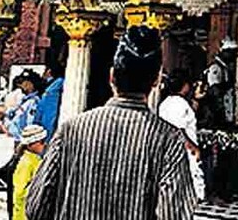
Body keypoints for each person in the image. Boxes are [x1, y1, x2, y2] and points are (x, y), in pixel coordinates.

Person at [25, 26, 196, 220]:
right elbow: (174, 214)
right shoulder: (168, 139)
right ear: (157, 80)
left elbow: (36, 207)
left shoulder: (71, 130)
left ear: (112, 76)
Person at [158, 70, 206, 202]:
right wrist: (193, 148)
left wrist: (196, 99)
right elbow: (178, 130)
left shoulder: (167, 103)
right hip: (183, 151)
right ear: (184, 85)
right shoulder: (179, 104)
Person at [0, 70, 41, 140]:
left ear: (30, 84)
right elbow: (9, 111)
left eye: (23, 82)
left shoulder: (33, 103)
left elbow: (29, 129)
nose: (21, 85)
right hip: (13, 139)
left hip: (19, 141)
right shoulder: (24, 100)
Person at [12, 125, 47, 220]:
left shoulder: (35, 159)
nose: (44, 145)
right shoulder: (26, 163)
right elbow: (19, 192)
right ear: (31, 144)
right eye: (41, 142)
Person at [33, 62, 64, 136]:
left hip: (50, 121)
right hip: (43, 120)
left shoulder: (59, 83)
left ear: (49, 71)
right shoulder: (50, 85)